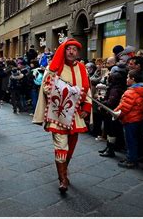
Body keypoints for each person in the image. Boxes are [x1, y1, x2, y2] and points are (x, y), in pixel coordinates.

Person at [32, 38, 92, 193]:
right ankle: (62, 179)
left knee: (70, 147)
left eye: (74, 49)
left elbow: (87, 89)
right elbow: (45, 88)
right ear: (63, 50)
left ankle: (64, 171)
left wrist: (87, 106)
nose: (71, 51)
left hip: (76, 115)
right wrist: (57, 87)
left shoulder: (82, 68)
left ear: (78, 52)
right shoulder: (53, 68)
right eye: (68, 48)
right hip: (57, 114)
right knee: (61, 146)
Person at [114, 70, 143, 169]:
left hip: (130, 119)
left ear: (133, 79)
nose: (127, 79)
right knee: (134, 140)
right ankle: (131, 157)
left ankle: (131, 160)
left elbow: (124, 107)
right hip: (138, 118)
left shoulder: (131, 91)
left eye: (128, 77)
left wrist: (114, 112)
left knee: (130, 141)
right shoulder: (142, 89)